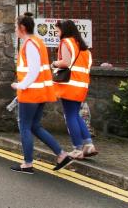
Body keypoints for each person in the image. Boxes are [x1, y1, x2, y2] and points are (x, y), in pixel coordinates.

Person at [10, 12, 73, 174]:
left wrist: (21, 85)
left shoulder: (29, 44)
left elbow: (33, 70)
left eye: (16, 27)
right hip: (40, 91)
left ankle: (27, 164)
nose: (15, 30)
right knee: (35, 126)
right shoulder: (37, 41)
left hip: (30, 92)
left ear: (22, 27)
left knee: (25, 127)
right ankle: (61, 155)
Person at [53, 20, 97, 159]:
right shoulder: (84, 48)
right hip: (82, 85)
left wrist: (53, 63)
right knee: (76, 115)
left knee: (70, 116)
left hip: (69, 84)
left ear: (65, 30)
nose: (57, 34)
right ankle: (89, 145)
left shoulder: (66, 42)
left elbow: (65, 63)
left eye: (58, 31)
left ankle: (77, 149)